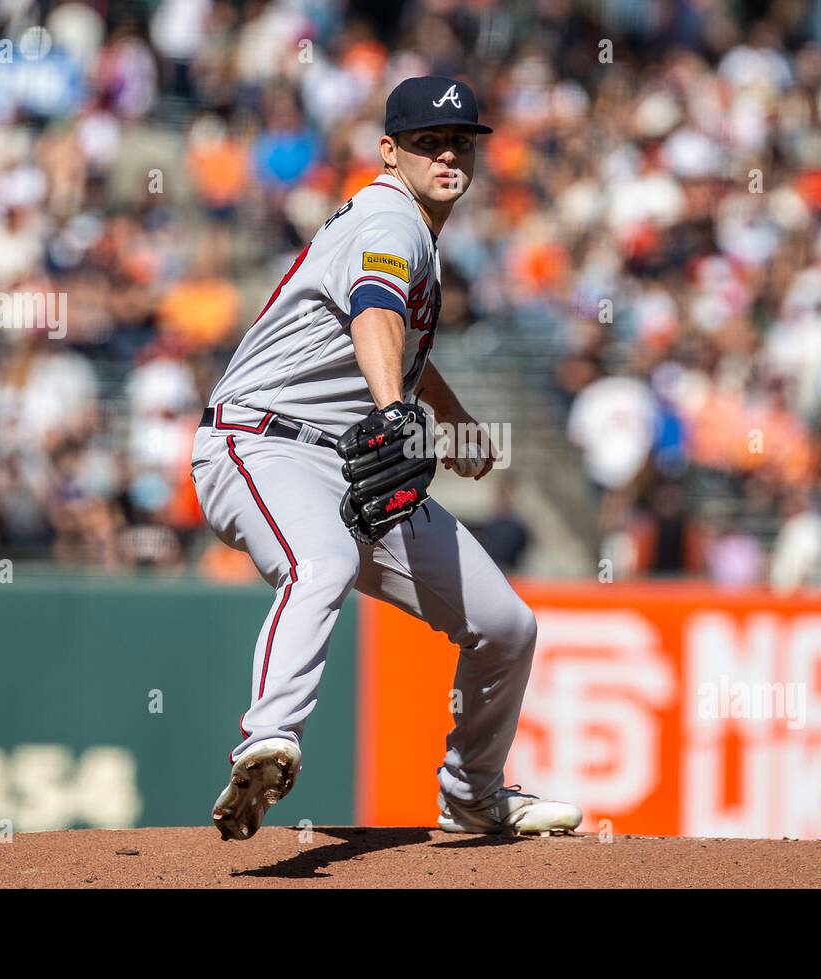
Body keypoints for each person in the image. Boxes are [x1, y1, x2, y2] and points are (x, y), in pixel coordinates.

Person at [190, 76, 582, 839]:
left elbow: (394, 331)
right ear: (389, 151)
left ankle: (473, 791)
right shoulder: (387, 215)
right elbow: (374, 311)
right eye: (430, 141)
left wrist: (448, 412)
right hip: (260, 442)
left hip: (343, 460)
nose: (448, 154)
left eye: (460, 142)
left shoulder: (413, 231)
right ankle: (268, 737)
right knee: (324, 561)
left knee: (507, 625)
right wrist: (395, 409)